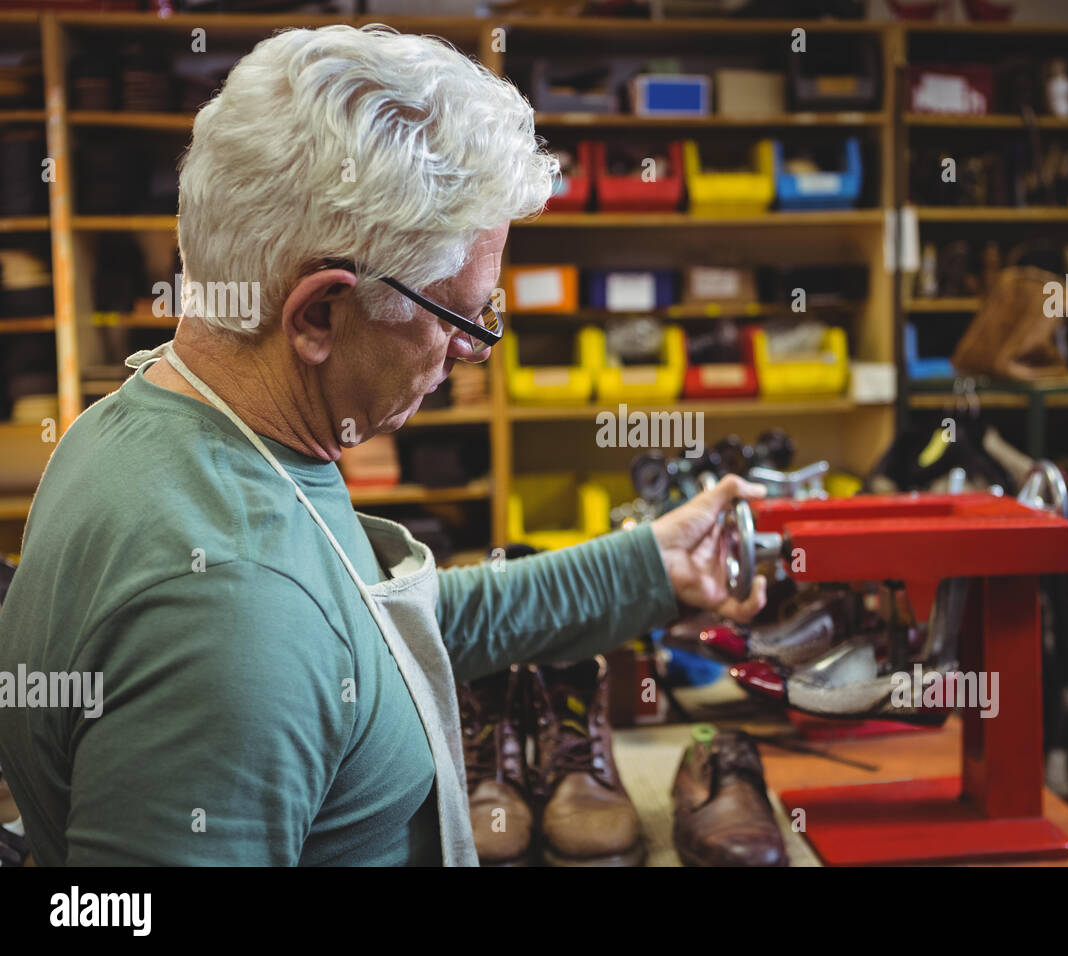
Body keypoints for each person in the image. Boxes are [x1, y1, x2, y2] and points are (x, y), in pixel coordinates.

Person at [0, 24, 765, 866]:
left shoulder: (145, 421)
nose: (473, 349)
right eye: (461, 315)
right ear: (320, 315)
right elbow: (282, 639)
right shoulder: (233, 617)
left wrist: (646, 566)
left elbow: (371, 635)